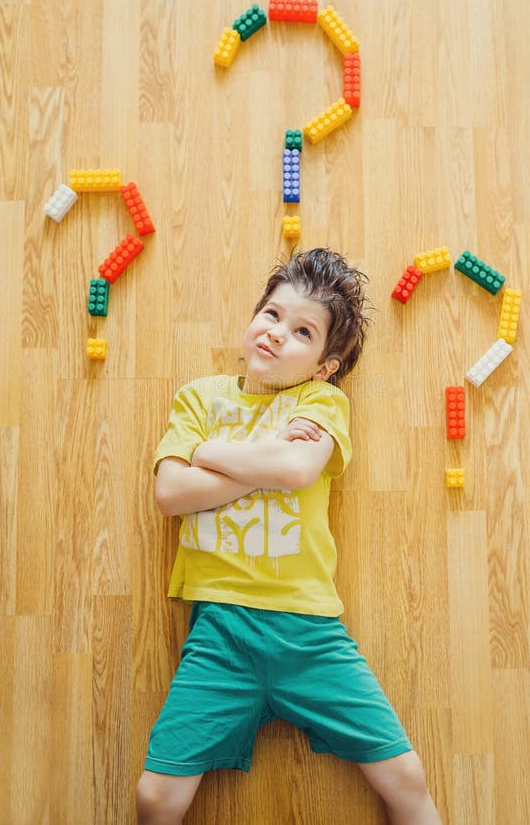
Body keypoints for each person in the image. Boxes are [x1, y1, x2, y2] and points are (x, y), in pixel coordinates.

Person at [136, 248, 441, 824]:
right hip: (220, 633)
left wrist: (207, 455)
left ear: (325, 365)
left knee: (405, 777)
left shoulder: (322, 401)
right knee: (155, 797)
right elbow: (171, 493)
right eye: (272, 315)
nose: (277, 334)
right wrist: (264, 457)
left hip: (309, 632)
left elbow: (298, 472)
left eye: (302, 331)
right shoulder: (201, 398)